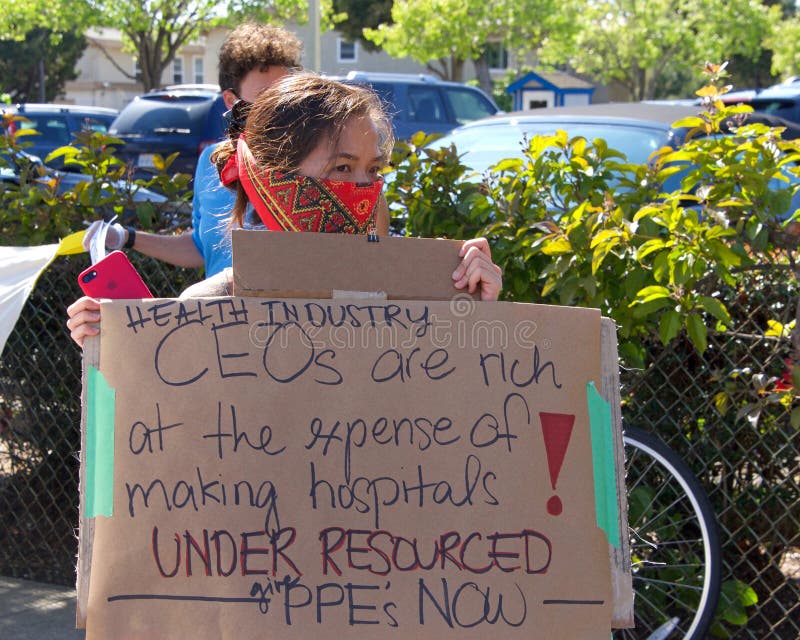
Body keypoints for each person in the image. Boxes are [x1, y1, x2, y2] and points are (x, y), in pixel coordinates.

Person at [67, 74, 503, 346]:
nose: (363, 190)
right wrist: (120, 349)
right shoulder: (210, 308)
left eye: (372, 170)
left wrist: (474, 305)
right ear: (275, 179)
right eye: (342, 167)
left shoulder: (414, 295)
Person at [82, 22, 303, 276]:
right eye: (265, 98)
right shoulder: (210, 163)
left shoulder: (312, 162)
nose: (277, 109)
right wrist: (124, 237)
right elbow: (201, 247)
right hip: (220, 314)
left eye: (284, 97)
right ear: (232, 101)